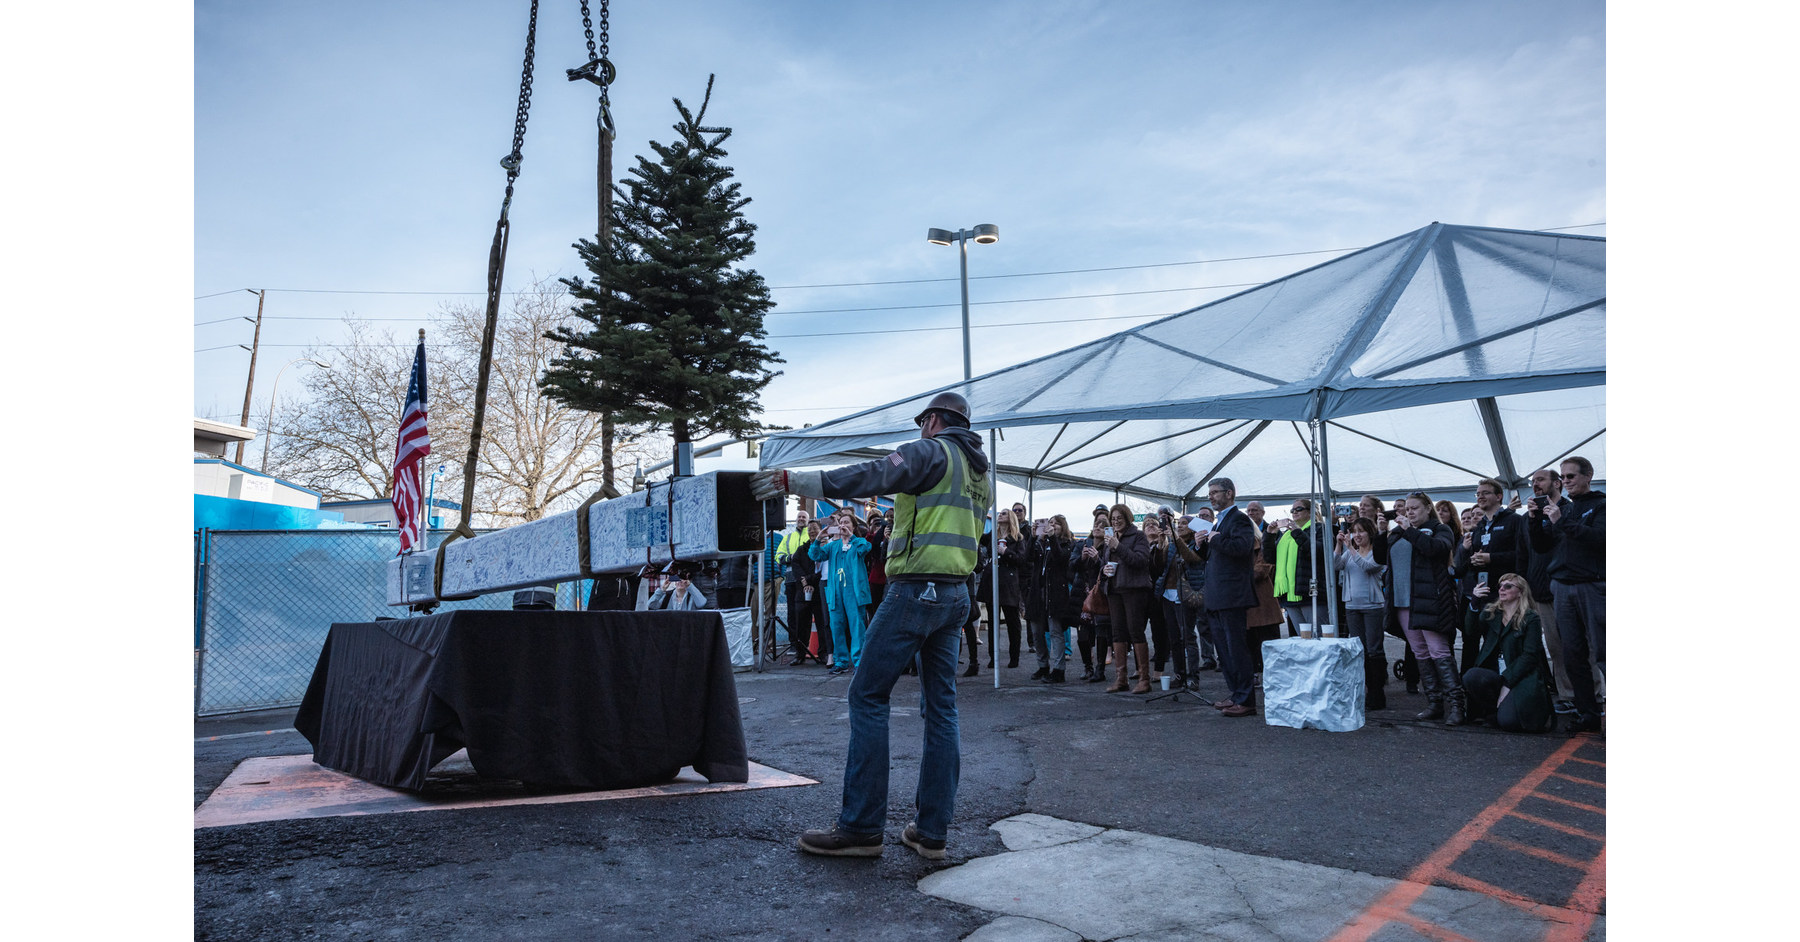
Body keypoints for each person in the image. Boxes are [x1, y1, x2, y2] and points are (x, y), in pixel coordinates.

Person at [753, 390, 990, 859]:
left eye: (923, 422)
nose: (920, 429)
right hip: (956, 593)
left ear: (933, 421)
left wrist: (795, 479)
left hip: (914, 590)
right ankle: (930, 832)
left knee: (867, 695)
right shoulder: (980, 470)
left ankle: (861, 828)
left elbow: (874, 471)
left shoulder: (931, 450)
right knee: (941, 709)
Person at [1530, 456, 1605, 734]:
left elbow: (1601, 540)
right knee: (1572, 653)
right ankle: (1588, 712)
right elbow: (1541, 546)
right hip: (1561, 586)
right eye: (1564, 476)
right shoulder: (1566, 510)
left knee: (1602, 651)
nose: (1567, 481)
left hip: (1591, 586)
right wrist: (1535, 520)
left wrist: (1562, 522)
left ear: (1588, 476)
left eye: (1571, 476)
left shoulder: (1601, 505)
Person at [1388, 492, 1466, 725]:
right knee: (1420, 652)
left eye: (1414, 508)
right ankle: (1434, 702)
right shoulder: (1399, 531)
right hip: (1402, 600)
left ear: (1427, 509)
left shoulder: (1441, 529)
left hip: (1430, 599)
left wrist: (1409, 531)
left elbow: (1435, 550)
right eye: (1407, 509)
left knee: (1439, 651)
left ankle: (1456, 705)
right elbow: (1384, 558)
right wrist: (1385, 532)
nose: (1409, 512)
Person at [1197, 478, 1259, 717]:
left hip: (1232, 595)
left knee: (1236, 649)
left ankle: (1246, 700)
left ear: (1230, 493)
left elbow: (1243, 548)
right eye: (1209, 493)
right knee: (1223, 651)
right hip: (1216, 595)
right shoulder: (1219, 521)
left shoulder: (1240, 519)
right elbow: (1215, 556)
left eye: (1215, 492)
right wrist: (1202, 545)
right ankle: (1236, 694)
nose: (1211, 497)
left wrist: (1216, 539)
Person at [1461, 573, 1555, 732]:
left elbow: (1530, 656)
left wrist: (1507, 683)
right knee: (1472, 676)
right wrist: (1475, 603)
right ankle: (1493, 711)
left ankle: (1505, 711)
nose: (1502, 589)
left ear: (1520, 592)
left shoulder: (1531, 618)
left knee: (1509, 722)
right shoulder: (1492, 613)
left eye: (1508, 586)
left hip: (1521, 677)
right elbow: (1471, 632)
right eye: (1500, 586)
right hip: (1496, 673)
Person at [1335, 516, 1389, 709]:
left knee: (1374, 649)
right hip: (1351, 606)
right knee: (1359, 649)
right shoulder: (1350, 552)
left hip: (1373, 606)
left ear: (1370, 533)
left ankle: (1377, 691)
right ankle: (1363, 688)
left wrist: (1349, 547)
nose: (1357, 535)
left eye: (1361, 531)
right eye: (1354, 531)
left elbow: (1368, 567)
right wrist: (1339, 545)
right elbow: (1335, 565)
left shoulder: (1376, 552)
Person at [1101, 504, 1155, 694]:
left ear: (1127, 517)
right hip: (1114, 589)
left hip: (1134, 590)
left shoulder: (1138, 536)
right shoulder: (1111, 537)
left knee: (1135, 632)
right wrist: (1105, 569)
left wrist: (1118, 546)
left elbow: (1140, 561)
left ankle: (1144, 679)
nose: (1115, 521)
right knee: (1117, 633)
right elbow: (1106, 561)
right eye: (1113, 518)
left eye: (1119, 518)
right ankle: (1121, 679)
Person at [809, 517, 873, 675]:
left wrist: (851, 537)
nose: (843, 525)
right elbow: (815, 555)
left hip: (854, 591)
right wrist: (818, 539)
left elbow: (866, 548)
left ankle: (859, 662)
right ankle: (841, 661)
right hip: (835, 591)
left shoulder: (858, 542)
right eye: (841, 523)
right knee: (836, 626)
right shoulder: (832, 546)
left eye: (847, 522)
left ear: (853, 526)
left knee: (857, 626)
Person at [1025, 515, 1079, 683]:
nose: (1052, 526)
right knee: (1036, 632)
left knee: (1056, 631)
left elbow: (1061, 558)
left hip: (1055, 594)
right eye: (1050, 524)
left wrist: (1052, 538)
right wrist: (1033, 537)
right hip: (1037, 594)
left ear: (1063, 527)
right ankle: (1042, 666)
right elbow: (1027, 557)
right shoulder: (1041, 542)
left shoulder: (1067, 543)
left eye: (1055, 524)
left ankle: (1058, 669)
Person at [978, 509, 1027, 669]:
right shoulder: (992, 535)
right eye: (1000, 513)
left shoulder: (1018, 538)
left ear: (1010, 518)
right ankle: (994, 657)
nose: (1000, 515)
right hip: (992, 580)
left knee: (1012, 621)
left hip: (1009, 582)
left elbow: (1021, 559)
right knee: (993, 622)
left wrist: (1006, 552)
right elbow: (978, 536)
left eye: (1004, 513)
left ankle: (1014, 657)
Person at [1269, 498, 1325, 633]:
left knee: (1317, 636)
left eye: (1299, 509)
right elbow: (1270, 558)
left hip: (1310, 592)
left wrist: (1296, 532)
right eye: (1292, 510)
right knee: (1302, 637)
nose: (1294, 512)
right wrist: (1270, 535)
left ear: (1311, 511)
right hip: (1289, 593)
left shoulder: (1319, 528)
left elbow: (1315, 552)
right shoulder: (1286, 535)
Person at [1072, 523, 1112, 682]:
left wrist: (1097, 559)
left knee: (1101, 633)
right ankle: (1087, 666)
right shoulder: (1081, 544)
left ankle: (1099, 669)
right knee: (1082, 635)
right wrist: (1082, 558)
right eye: (1096, 524)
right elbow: (1071, 565)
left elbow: (1111, 568)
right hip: (1083, 593)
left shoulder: (1110, 546)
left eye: (1103, 526)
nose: (1098, 527)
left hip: (1101, 594)